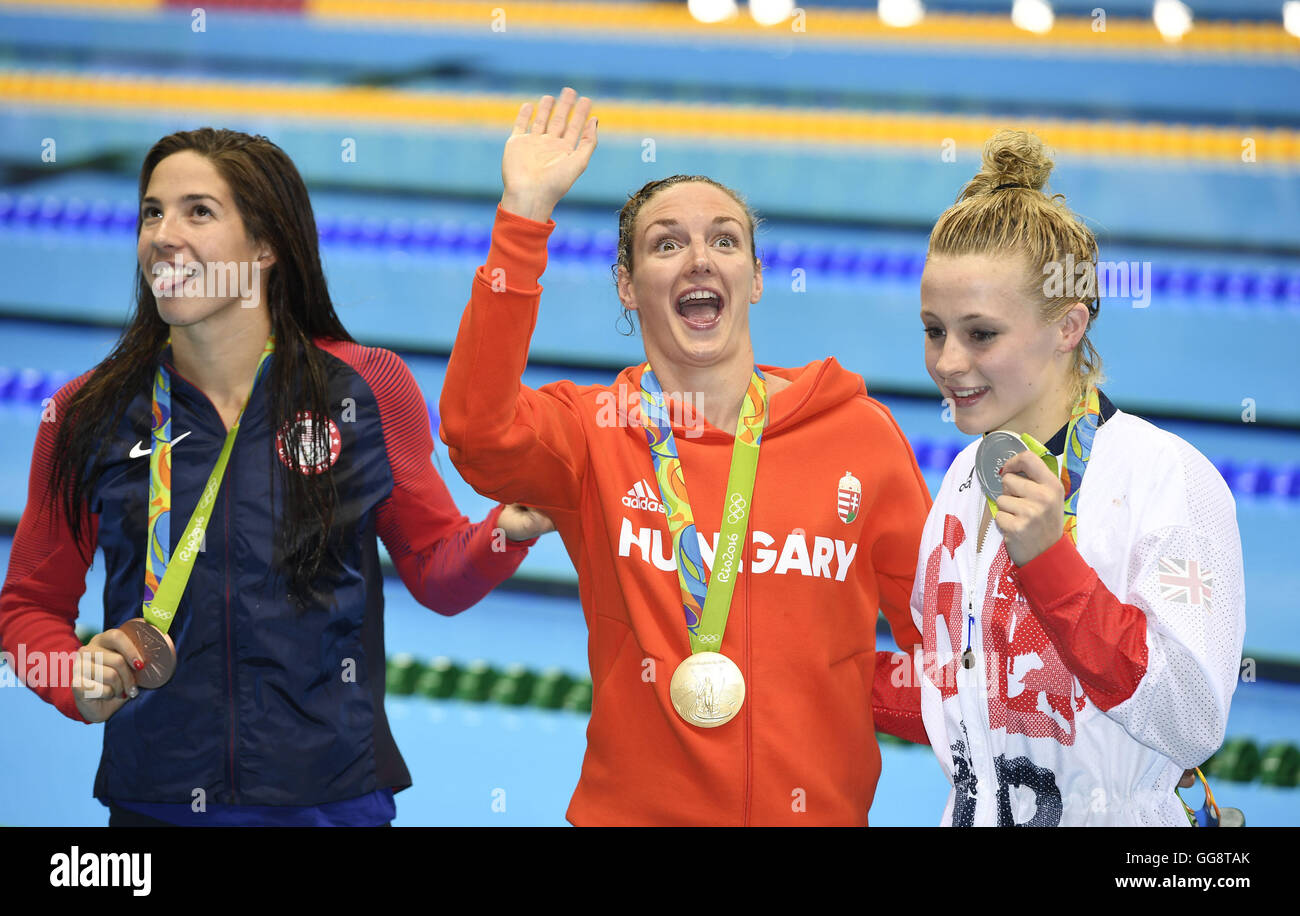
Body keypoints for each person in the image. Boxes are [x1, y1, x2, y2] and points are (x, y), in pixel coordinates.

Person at [0, 127, 550, 826]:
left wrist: (507, 533)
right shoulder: (88, 412)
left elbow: (437, 573)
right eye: (152, 212)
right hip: (157, 803)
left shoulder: (364, 388)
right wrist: (68, 676)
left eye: (199, 211)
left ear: (266, 248)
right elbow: (26, 608)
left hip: (332, 799)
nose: (165, 235)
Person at [439, 89, 932, 826]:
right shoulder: (592, 434)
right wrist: (523, 217)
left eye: (726, 240)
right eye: (667, 243)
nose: (700, 257)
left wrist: (836, 681)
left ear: (755, 281)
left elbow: (941, 650)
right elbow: (477, 430)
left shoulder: (859, 436)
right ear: (629, 288)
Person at [909, 129, 1245, 826]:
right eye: (933, 329)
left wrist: (1050, 564)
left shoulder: (1166, 479)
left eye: (980, 334)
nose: (945, 361)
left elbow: (1190, 720)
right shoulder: (961, 484)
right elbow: (957, 698)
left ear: (1068, 325)